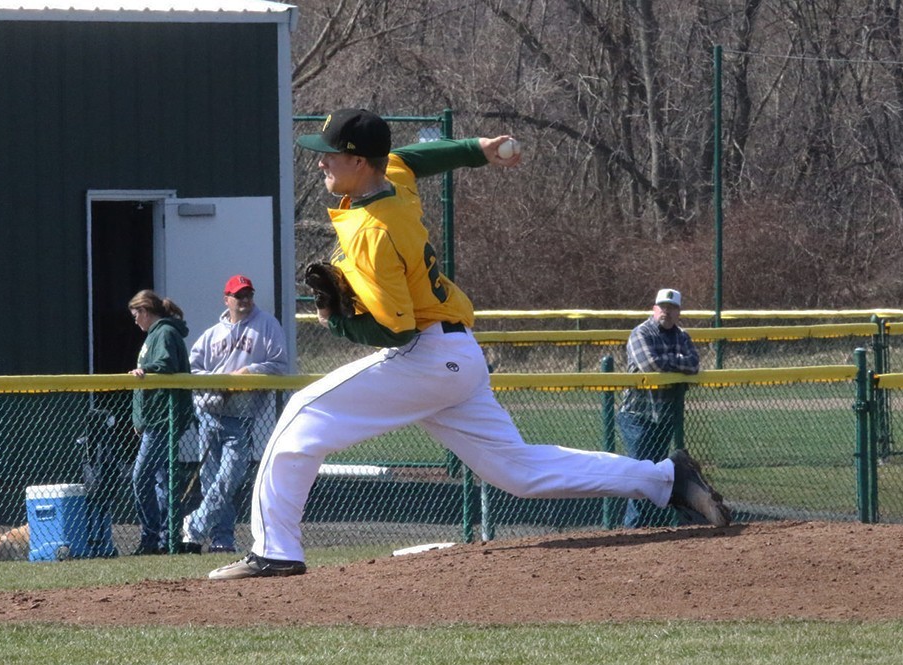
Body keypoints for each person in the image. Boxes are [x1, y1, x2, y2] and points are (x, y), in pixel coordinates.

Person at [208, 108, 730, 580]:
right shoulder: (389, 181)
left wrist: (336, 320)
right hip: (456, 355)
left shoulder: (373, 232)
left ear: (360, 162)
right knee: (518, 472)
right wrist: (476, 149)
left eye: (330, 155)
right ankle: (667, 478)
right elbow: (414, 158)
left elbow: (395, 330)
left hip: (424, 355)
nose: (320, 163)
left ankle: (275, 550)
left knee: (301, 415)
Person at [181, 274, 288, 554]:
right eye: (239, 295)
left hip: (241, 416)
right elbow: (192, 372)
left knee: (230, 475)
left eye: (249, 295)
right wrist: (219, 385)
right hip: (209, 413)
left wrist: (247, 372)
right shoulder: (211, 335)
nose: (245, 300)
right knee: (211, 480)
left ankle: (195, 525)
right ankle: (222, 540)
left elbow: (279, 365)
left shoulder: (267, 325)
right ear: (226, 299)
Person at [618, 288, 701, 528]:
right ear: (655, 309)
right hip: (638, 415)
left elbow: (694, 364)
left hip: (664, 416)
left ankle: (654, 527)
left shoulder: (682, 336)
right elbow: (651, 365)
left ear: (678, 312)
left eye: (672, 308)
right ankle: (634, 528)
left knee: (659, 474)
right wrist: (678, 364)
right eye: (663, 307)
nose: (667, 311)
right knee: (642, 473)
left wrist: (671, 364)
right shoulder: (641, 333)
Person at [128, 289, 193, 555]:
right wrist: (139, 418)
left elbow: (166, 363)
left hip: (164, 419)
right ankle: (166, 539)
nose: (135, 321)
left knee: (140, 477)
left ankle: (153, 536)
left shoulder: (165, 332)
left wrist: (147, 369)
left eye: (136, 315)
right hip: (153, 419)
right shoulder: (153, 335)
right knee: (162, 480)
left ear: (145, 311)